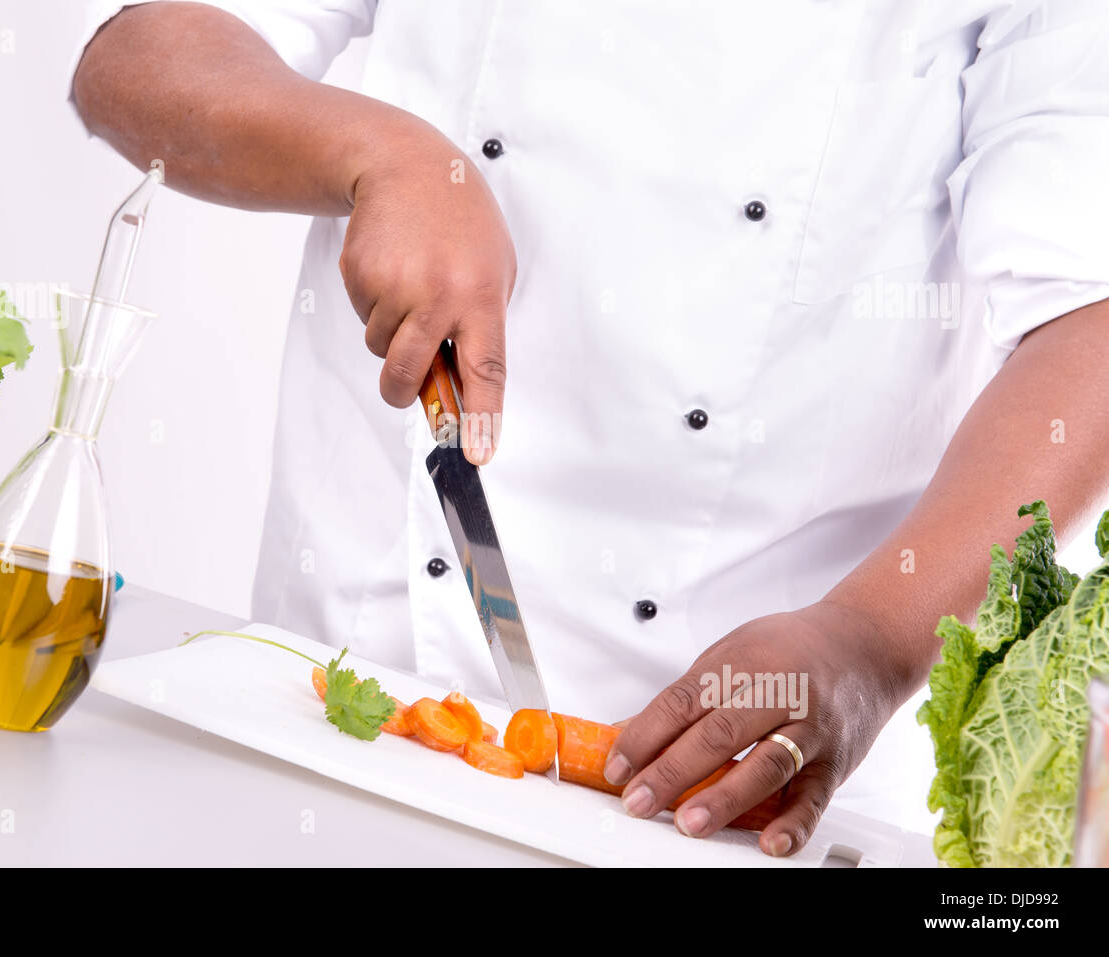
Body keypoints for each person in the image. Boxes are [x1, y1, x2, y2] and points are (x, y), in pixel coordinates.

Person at [70, 0, 1109, 854]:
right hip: (350, 694)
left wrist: (874, 637)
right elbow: (141, 50)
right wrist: (377, 152)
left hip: (745, 776)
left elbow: (1090, 319)